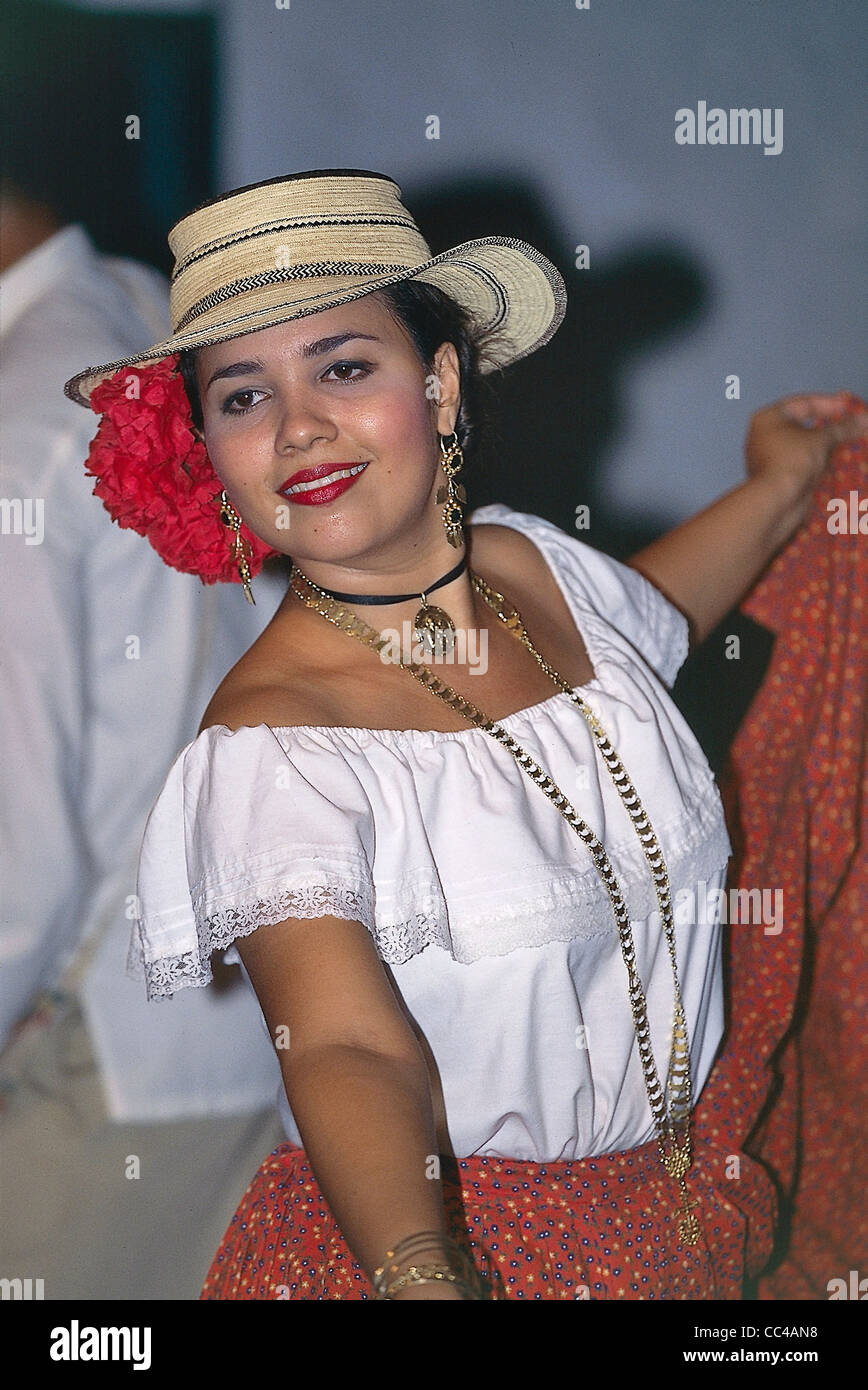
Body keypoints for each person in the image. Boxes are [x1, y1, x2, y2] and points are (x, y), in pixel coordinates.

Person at [64, 168, 867, 1300]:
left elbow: (652, 616)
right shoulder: (274, 743)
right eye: (242, 396)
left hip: (675, 1223)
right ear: (210, 447)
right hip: (470, 1254)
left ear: (438, 383)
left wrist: (785, 488)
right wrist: (418, 1267)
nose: (298, 427)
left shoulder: (529, 567)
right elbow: (343, 1044)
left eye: (344, 367)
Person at [0, 186, 285, 1299]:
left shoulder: (21, 425)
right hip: (240, 1029)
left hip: (87, 1064)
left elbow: (16, 878)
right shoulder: (132, 311)